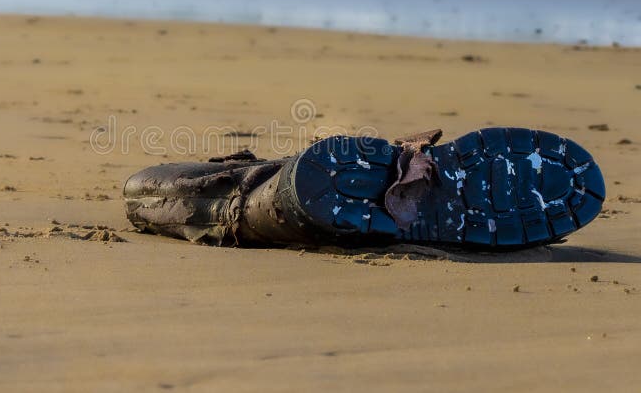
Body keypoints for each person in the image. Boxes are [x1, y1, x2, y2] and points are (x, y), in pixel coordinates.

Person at [123, 128, 604, 249]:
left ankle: (273, 200)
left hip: (285, 198)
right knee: (152, 194)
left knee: (153, 192)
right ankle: (271, 196)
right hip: (281, 192)